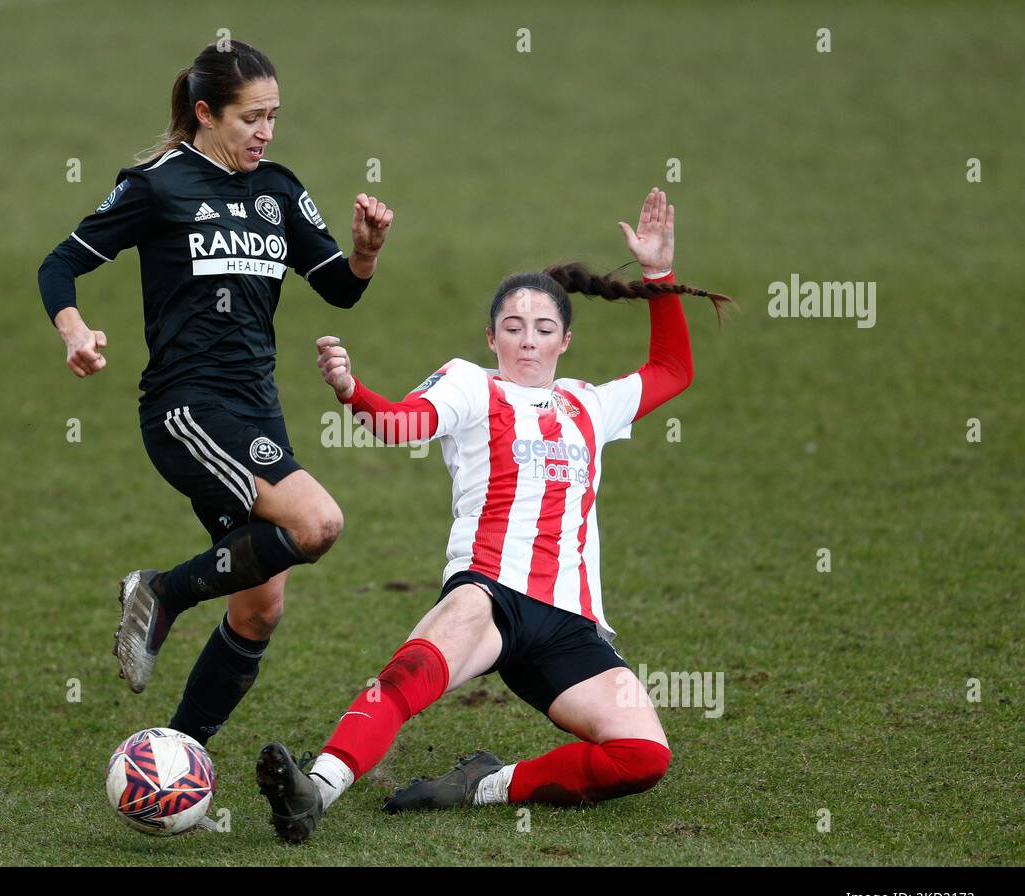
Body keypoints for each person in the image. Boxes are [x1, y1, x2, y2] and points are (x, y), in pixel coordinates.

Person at [256, 188, 731, 843]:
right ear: (491, 336)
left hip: (572, 626)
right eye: (512, 327)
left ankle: (484, 784)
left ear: (566, 338)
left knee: (643, 755)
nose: (527, 342)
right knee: (409, 674)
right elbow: (402, 424)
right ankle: (317, 791)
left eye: (542, 329)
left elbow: (674, 369)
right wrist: (351, 391)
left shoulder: (591, 404)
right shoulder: (470, 384)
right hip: (491, 595)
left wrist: (659, 273)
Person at [36, 40, 394, 747]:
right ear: (205, 114)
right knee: (317, 523)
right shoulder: (158, 184)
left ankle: (175, 759)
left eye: (273, 117)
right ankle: (161, 592)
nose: (265, 132)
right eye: (250, 118)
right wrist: (74, 330)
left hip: (258, 410)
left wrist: (365, 253)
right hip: (186, 409)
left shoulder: (279, 191)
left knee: (260, 608)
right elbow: (62, 263)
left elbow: (339, 291)